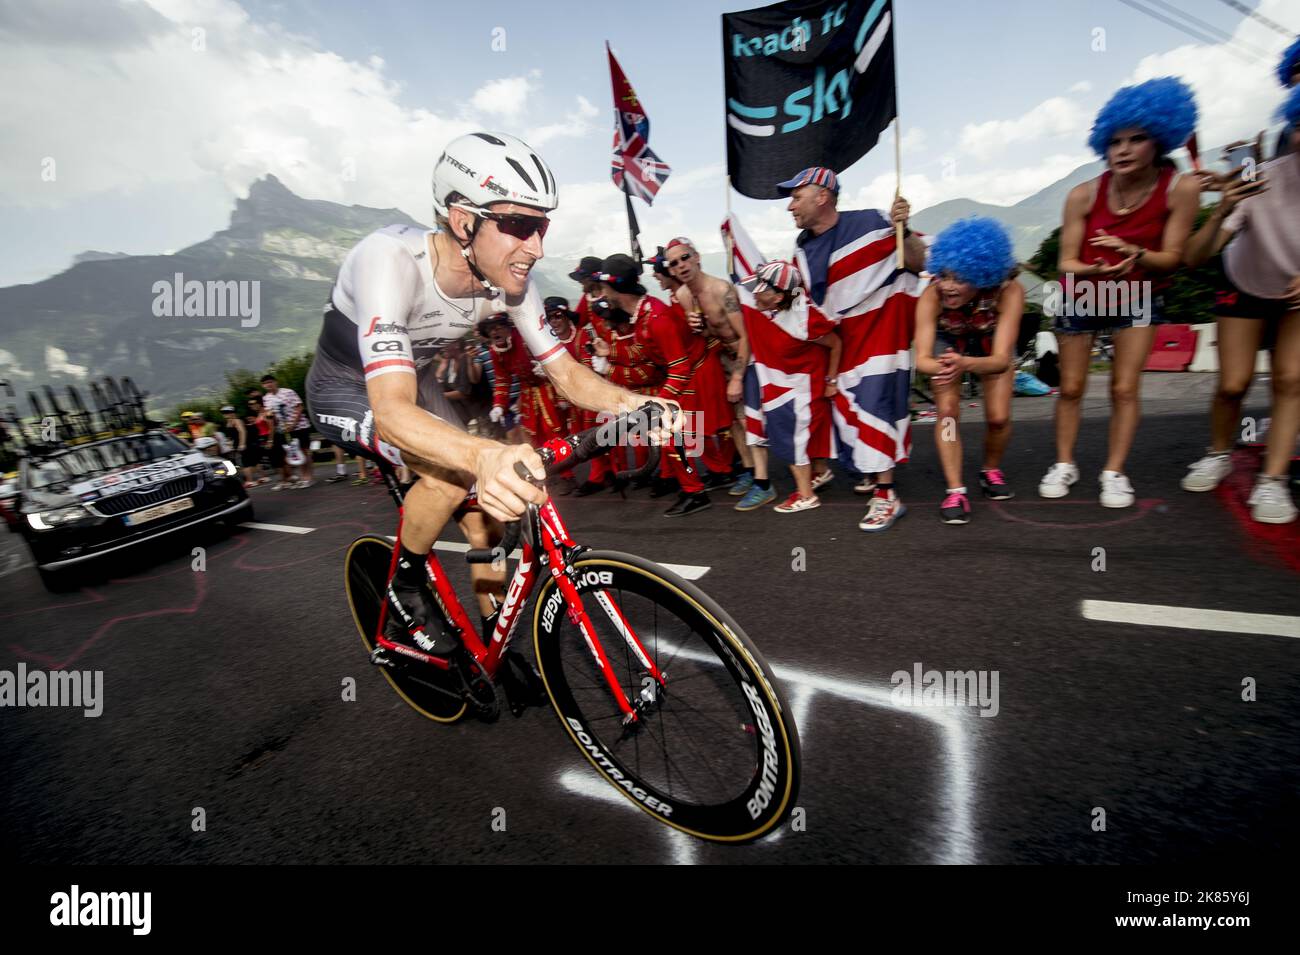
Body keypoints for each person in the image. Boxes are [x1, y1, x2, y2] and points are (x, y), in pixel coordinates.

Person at [305, 131, 681, 657]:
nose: (537, 247)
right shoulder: (389, 258)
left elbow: (566, 374)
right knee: (452, 476)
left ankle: (495, 645)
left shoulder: (509, 280)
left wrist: (632, 404)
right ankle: (405, 585)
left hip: (416, 380)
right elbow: (391, 410)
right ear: (463, 220)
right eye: (520, 226)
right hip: (347, 387)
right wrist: (483, 455)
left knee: (487, 521)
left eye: (542, 226)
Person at [1038, 77, 1201, 508]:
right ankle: (1064, 463)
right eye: (1114, 141)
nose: (1123, 150)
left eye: (1136, 139)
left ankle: (1114, 472)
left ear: (1160, 139)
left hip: (1139, 293)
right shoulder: (1083, 194)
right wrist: (1094, 269)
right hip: (1081, 294)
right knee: (1071, 387)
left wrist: (1136, 253)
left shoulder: (1181, 187)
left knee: (1124, 389)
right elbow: (1066, 262)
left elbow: (1174, 258)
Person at [779, 166, 926, 533]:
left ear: (822, 197)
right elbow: (809, 303)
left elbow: (919, 262)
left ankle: (886, 496)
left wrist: (904, 229)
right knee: (850, 416)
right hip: (843, 343)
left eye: (796, 197)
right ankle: (874, 472)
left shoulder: (874, 221)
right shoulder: (802, 247)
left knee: (875, 407)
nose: (790, 206)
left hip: (882, 330)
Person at [1180, 85, 1300, 524]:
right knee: (1233, 384)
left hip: (1295, 296)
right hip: (1243, 282)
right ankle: (1218, 454)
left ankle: (1273, 481)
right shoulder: (1260, 177)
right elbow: (1194, 257)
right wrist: (1220, 209)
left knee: (1291, 380)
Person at [914, 218, 1025, 524]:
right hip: (949, 342)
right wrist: (948, 365)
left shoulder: (1009, 292)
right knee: (947, 413)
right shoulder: (931, 295)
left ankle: (990, 469)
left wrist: (967, 363)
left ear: (982, 274)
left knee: (998, 418)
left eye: (960, 278)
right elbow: (922, 359)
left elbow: (1001, 360)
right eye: (944, 276)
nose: (948, 286)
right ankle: (955, 490)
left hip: (990, 342)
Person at [595, 253, 711, 517]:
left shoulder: (656, 318)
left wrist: (660, 401)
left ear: (616, 288)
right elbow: (643, 353)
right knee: (671, 441)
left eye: (604, 288)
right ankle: (691, 488)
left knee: (676, 442)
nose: (602, 294)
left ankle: (696, 493)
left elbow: (680, 366)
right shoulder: (642, 315)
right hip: (676, 379)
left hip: (687, 379)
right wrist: (608, 353)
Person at [736, 261, 841, 513]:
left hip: (801, 386)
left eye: (761, 291)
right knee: (798, 437)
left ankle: (806, 496)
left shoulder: (806, 318)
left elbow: (835, 344)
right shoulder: (773, 307)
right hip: (785, 382)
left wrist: (831, 380)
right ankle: (819, 472)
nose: (754, 295)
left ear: (778, 297)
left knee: (793, 440)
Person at [661, 239, 748, 490]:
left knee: (748, 420)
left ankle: (767, 480)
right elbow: (707, 335)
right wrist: (698, 328)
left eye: (685, 258)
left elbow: (745, 336)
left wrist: (737, 377)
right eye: (674, 263)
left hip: (742, 357)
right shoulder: (683, 295)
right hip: (720, 359)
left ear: (697, 257)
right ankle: (750, 472)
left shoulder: (721, 289)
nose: (681, 265)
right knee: (734, 422)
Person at [261, 374, 314, 489]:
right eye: (265, 383)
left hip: (299, 426)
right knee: (293, 453)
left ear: (275, 382)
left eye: (270, 382)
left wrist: (293, 424)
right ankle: (298, 478)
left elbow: (299, 407)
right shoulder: (266, 398)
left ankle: (308, 478)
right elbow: (270, 415)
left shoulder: (288, 392)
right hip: (283, 430)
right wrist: (270, 418)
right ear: (263, 386)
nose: (268, 385)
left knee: (304, 451)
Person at [219, 405, 256, 487]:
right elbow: (230, 436)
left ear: (233, 413)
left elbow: (242, 432)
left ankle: (250, 481)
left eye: (227, 412)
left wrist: (242, 444)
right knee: (241, 463)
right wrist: (230, 444)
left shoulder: (237, 421)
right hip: (236, 445)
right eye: (224, 413)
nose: (225, 414)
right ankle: (250, 480)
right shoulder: (228, 423)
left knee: (245, 462)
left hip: (242, 444)